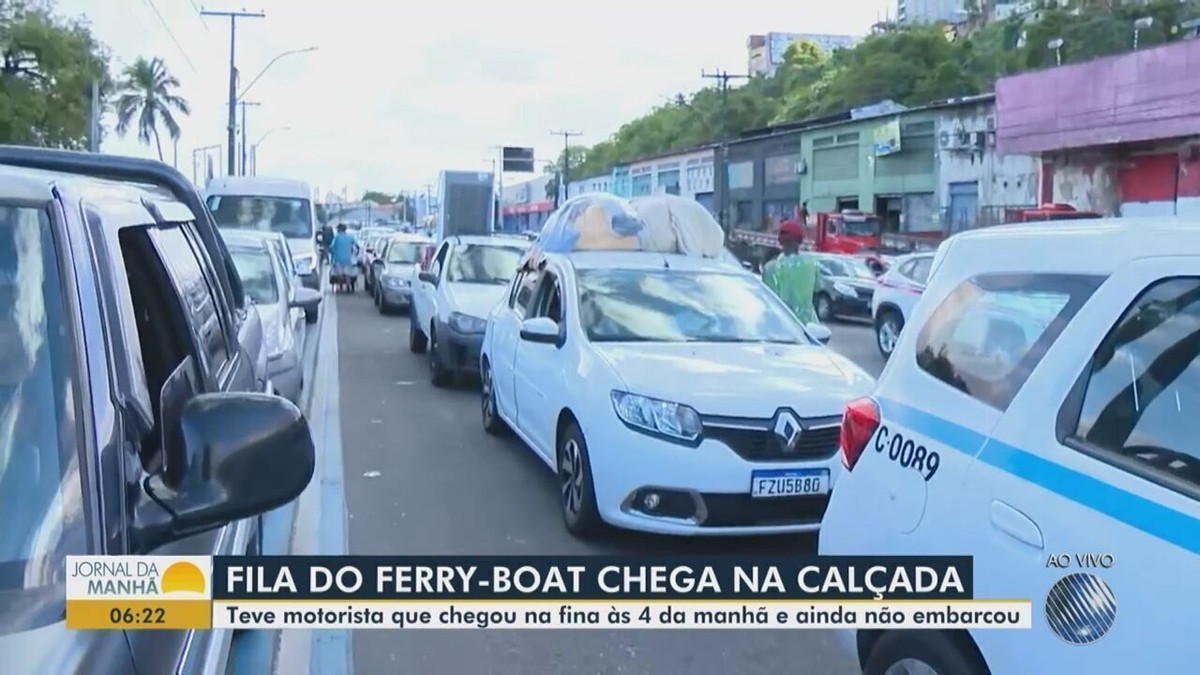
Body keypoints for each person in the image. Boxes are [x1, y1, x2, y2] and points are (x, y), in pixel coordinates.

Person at [761, 220, 820, 325]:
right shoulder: (811, 265)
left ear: (780, 242)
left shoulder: (771, 268)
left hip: (780, 325)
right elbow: (817, 289)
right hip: (807, 326)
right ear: (799, 241)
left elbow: (768, 299)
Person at [329, 223, 359, 292]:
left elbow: (331, 247)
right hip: (348, 259)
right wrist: (356, 253)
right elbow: (357, 246)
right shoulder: (350, 237)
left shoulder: (336, 238)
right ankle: (348, 283)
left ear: (339, 230)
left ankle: (341, 285)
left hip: (338, 260)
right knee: (348, 272)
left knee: (339, 273)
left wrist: (332, 252)